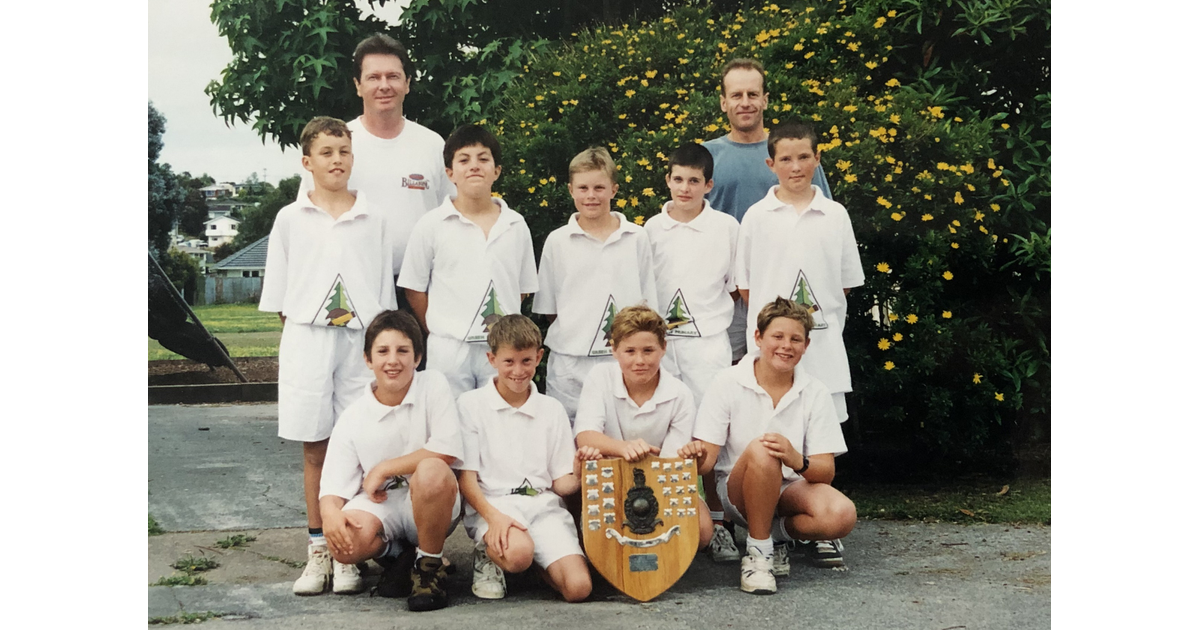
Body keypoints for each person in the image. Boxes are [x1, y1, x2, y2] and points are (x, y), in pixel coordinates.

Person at [258, 116, 397, 596]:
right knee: (316, 446)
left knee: (359, 446)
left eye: (343, 150)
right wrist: (310, 334)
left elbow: (382, 295)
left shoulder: (374, 217)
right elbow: (280, 298)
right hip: (308, 340)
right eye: (326, 152)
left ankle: (350, 552)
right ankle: (320, 549)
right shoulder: (290, 219)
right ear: (307, 161)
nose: (336, 159)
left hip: (359, 343)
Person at [736, 120, 865, 568]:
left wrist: (810, 332)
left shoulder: (836, 215)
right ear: (770, 163)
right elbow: (748, 288)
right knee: (766, 438)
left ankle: (812, 530)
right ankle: (763, 529)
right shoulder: (755, 216)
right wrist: (780, 338)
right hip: (773, 353)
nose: (795, 166)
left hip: (822, 351)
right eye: (785, 159)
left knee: (820, 440)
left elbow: (845, 286)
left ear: (817, 159)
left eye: (804, 157)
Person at [692, 298, 857, 595]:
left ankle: (776, 538)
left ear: (806, 346)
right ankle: (758, 554)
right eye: (777, 337)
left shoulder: (815, 391)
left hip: (789, 490)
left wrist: (796, 458)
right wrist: (692, 456)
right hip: (739, 490)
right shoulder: (727, 381)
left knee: (841, 514)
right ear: (758, 338)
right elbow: (707, 463)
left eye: (795, 339)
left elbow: (825, 472)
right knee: (763, 449)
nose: (786, 346)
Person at [317, 310, 463, 611]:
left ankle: (428, 569)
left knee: (432, 469)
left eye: (402, 351)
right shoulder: (354, 415)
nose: (392, 360)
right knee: (345, 546)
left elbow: (447, 449)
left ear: (418, 357)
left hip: (430, 501)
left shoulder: (433, 385)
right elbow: (332, 488)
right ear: (368, 360)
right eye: (382, 351)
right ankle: (397, 556)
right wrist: (330, 516)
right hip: (384, 505)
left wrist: (384, 468)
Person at [642, 145, 741, 562]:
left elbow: (736, 288)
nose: (685, 188)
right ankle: (668, 519)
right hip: (663, 349)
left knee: (713, 436)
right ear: (667, 180)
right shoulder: (649, 228)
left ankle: (718, 524)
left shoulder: (726, 227)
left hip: (708, 348)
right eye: (678, 179)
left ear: (709, 185)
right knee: (666, 433)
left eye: (694, 181)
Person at [297, 34, 452, 299]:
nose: (384, 86)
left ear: (407, 83)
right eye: (373, 77)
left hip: (421, 289)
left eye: (393, 76)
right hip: (353, 284)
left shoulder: (433, 144)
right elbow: (308, 225)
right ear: (358, 85)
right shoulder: (337, 146)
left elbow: (451, 221)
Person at [456, 315, 597, 602]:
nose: (518, 371)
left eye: (526, 361)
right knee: (518, 554)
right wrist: (494, 519)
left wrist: (580, 473)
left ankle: (536, 563)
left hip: (543, 508)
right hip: (495, 506)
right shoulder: (471, 405)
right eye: (509, 362)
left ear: (539, 357)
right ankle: (490, 554)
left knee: (579, 589)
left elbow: (561, 484)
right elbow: (466, 479)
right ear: (491, 358)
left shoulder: (552, 409)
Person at [703, 57, 833, 364]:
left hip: (785, 289)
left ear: (765, 99)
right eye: (736, 95)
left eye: (752, 94)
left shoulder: (791, 154)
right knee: (729, 378)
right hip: (723, 297)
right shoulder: (705, 155)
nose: (745, 103)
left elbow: (825, 225)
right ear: (724, 103)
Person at [397, 124, 538, 396]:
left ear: (497, 171)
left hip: (502, 348)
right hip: (449, 349)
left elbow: (521, 288)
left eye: (483, 159)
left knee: (500, 422)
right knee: (449, 425)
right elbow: (414, 287)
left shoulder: (516, 224)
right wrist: (442, 327)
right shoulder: (431, 224)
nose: (474, 166)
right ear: (450, 173)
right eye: (464, 160)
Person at [573, 305, 714, 551]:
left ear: (663, 349)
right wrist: (623, 448)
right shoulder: (600, 377)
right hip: (611, 478)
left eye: (648, 351)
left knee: (701, 533)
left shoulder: (679, 393)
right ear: (614, 349)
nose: (640, 361)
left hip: (659, 478)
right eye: (630, 351)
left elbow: (672, 463)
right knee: (602, 539)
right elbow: (585, 436)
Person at [532, 147, 658, 421]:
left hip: (622, 360)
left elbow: (647, 301)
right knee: (570, 440)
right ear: (570, 190)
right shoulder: (557, 241)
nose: (591, 195)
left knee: (620, 434)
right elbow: (551, 308)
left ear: (613, 189)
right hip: (570, 363)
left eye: (599, 187)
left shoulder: (637, 237)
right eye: (583, 188)